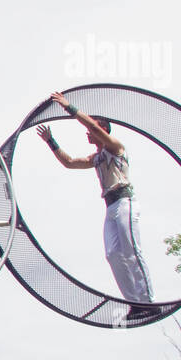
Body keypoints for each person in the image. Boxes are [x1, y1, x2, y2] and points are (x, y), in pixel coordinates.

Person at [36, 91, 155, 317]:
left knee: (131, 251)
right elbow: (70, 163)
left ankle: (148, 300)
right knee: (113, 254)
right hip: (110, 207)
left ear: (103, 131)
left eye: (93, 129)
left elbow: (92, 125)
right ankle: (135, 303)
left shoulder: (115, 147)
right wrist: (51, 142)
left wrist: (67, 106)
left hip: (124, 202)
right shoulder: (97, 157)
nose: (88, 132)